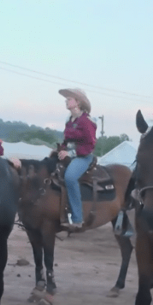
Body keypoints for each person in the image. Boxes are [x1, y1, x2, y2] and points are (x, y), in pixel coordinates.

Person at [58, 88, 97, 232]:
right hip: (68, 154)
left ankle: (77, 218)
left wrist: (71, 153)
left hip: (83, 156)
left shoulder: (87, 121)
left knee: (70, 177)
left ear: (78, 102)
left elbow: (90, 144)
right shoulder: (70, 120)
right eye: (66, 99)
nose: (66, 101)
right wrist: (61, 150)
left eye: (69, 99)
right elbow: (66, 140)